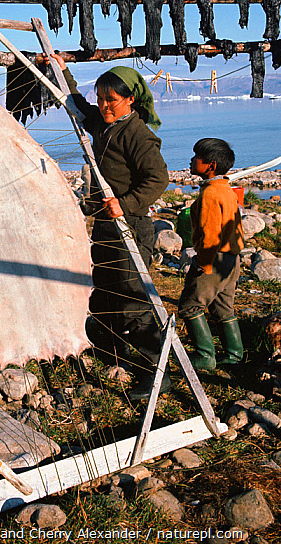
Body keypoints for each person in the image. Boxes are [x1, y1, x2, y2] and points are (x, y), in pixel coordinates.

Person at [47, 53, 170, 400]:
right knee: (103, 293)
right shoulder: (103, 123)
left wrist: (126, 202)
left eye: (111, 100)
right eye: (100, 99)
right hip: (105, 225)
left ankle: (155, 373)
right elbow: (77, 105)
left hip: (130, 226)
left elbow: (158, 178)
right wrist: (62, 70)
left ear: (130, 99)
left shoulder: (138, 134)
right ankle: (112, 355)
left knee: (133, 299)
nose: (103, 106)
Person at [177, 138, 245, 370]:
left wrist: (202, 265)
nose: (191, 160)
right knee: (223, 307)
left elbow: (209, 235)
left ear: (211, 165)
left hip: (214, 261)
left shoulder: (210, 195)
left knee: (190, 306)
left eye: (196, 157)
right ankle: (234, 354)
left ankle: (205, 355)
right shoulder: (225, 189)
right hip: (231, 258)